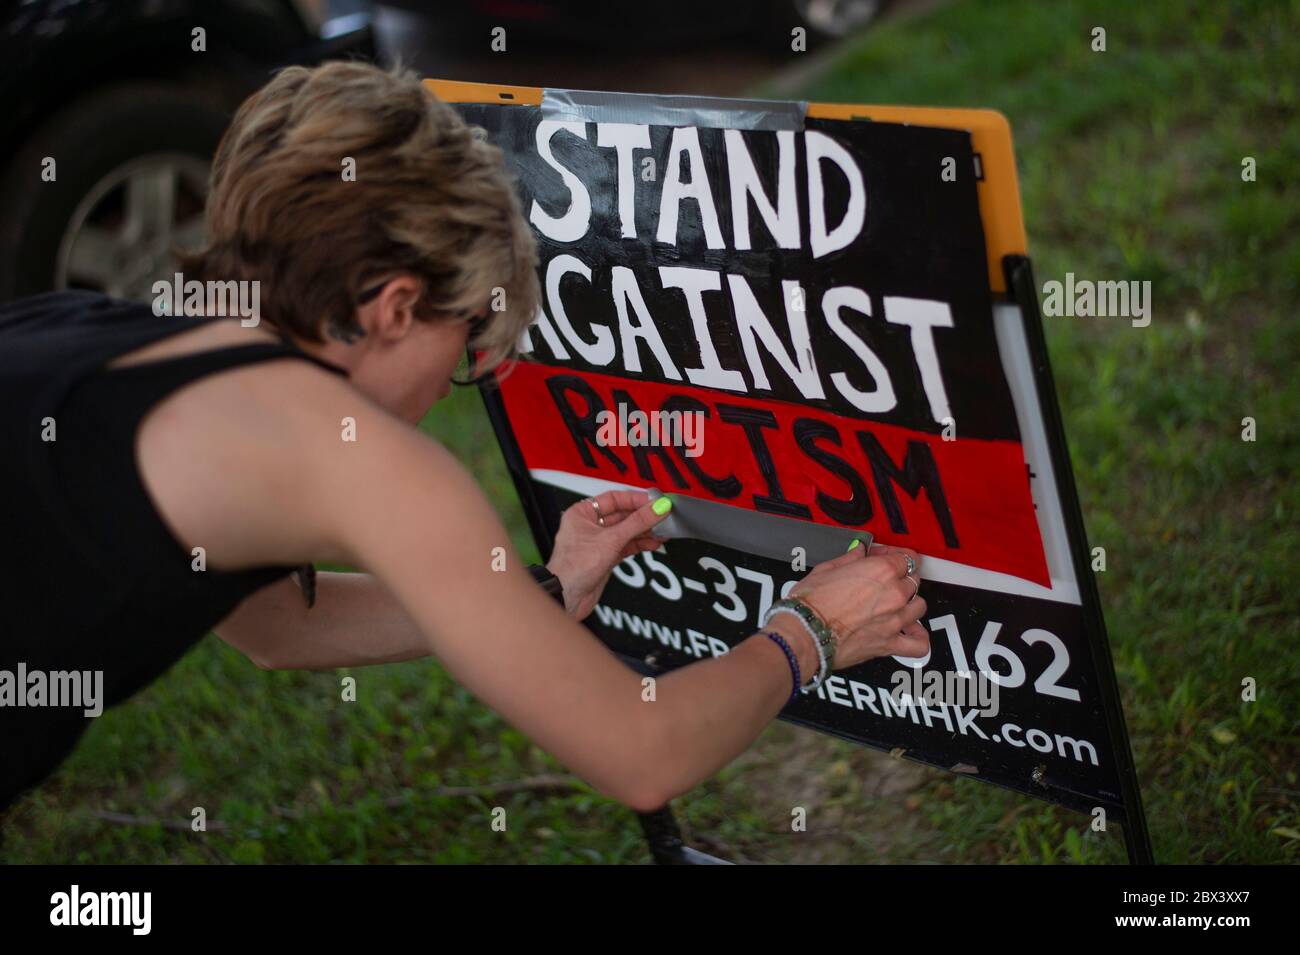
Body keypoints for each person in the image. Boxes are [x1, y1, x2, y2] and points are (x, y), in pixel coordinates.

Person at [0, 61, 928, 815]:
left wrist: (544, 590)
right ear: (395, 307)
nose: (450, 391)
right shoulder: (351, 452)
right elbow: (645, 752)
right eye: (462, 352)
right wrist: (812, 630)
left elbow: (279, 625)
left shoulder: (93, 331)